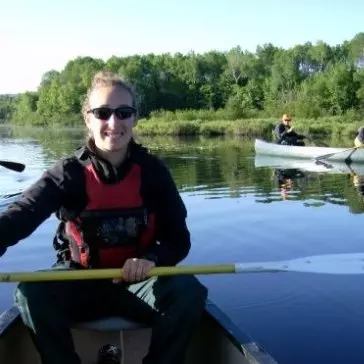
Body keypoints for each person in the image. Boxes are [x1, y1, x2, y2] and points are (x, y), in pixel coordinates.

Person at [0, 71, 208, 364]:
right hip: (80, 282)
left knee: (188, 293)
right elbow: (20, 217)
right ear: (88, 118)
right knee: (31, 294)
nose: (114, 123)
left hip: (139, 285)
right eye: (102, 113)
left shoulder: (153, 172)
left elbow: (178, 240)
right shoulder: (68, 173)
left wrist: (152, 260)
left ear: (134, 118)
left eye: (124, 112)